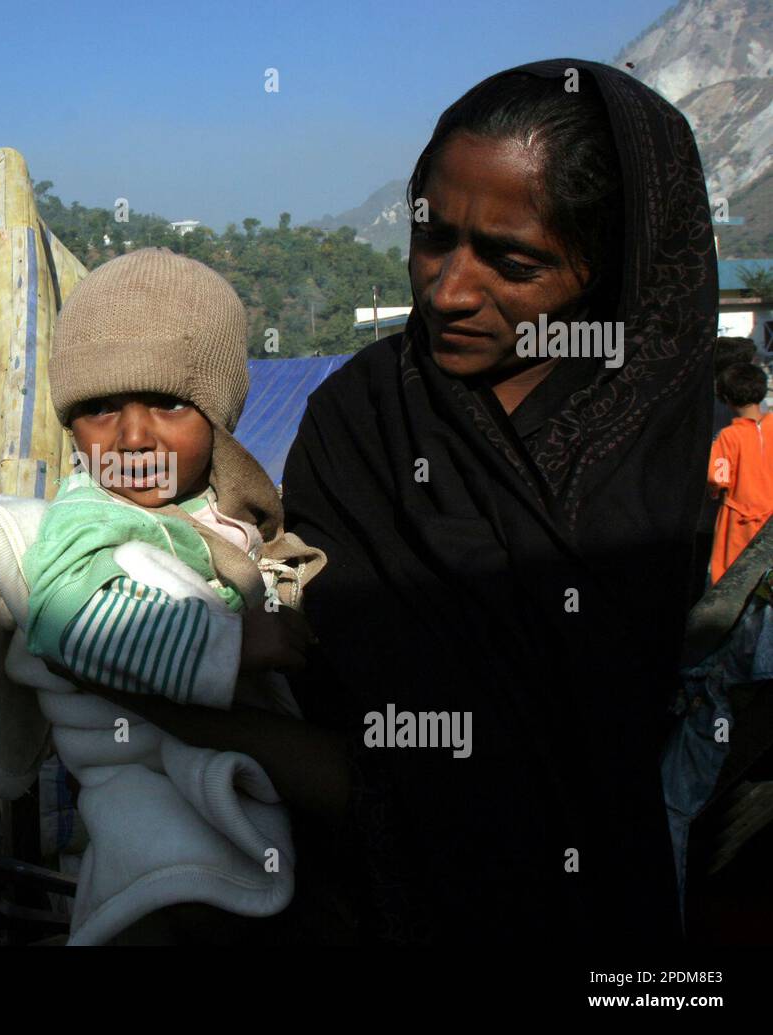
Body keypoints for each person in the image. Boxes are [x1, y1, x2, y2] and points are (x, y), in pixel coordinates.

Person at [281, 59, 717, 943]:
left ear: (604, 267)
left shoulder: (655, 428)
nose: (448, 290)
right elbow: (367, 718)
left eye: (512, 260)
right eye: (431, 236)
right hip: (377, 905)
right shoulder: (363, 420)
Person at [24, 247, 324, 718]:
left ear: (219, 417)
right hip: (138, 770)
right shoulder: (93, 513)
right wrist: (232, 645)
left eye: (168, 402)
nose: (133, 437)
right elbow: (67, 618)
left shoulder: (223, 500)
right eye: (100, 408)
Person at [707, 362, 773, 584]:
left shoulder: (729, 437)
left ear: (726, 399)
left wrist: (715, 491)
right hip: (770, 522)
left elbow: (718, 477)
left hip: (740, 523)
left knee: (735, 582)